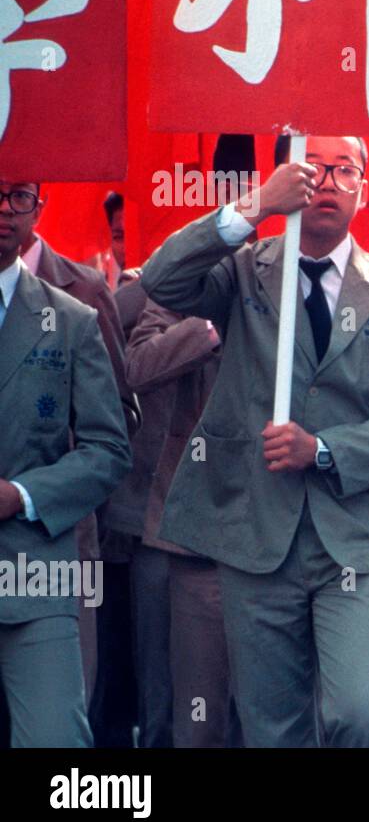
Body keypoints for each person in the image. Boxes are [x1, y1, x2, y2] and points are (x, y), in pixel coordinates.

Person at [140, 135, 369, 747]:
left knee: (363, 712)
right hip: (257, 535)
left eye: (343, 169)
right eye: (312, 168)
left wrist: (323, 449)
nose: (326, 181)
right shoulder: (247, 272)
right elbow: (163, 278)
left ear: (363, 183)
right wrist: (254, 206)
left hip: (355, 541)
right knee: (273, 729)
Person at [0, 178, 132, 746]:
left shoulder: (71, 317)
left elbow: (110, 448)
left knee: (58, 746)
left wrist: (22, 495)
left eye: (19, 196)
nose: (5, 209)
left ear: (39, 208)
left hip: (35, 567)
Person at [126, 299, 233, 747]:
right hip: (172, 532)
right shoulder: (173, 296)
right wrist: (210, 324)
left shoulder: (288, 295)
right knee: (166, 705)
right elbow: (136, 369)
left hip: (264, 528)